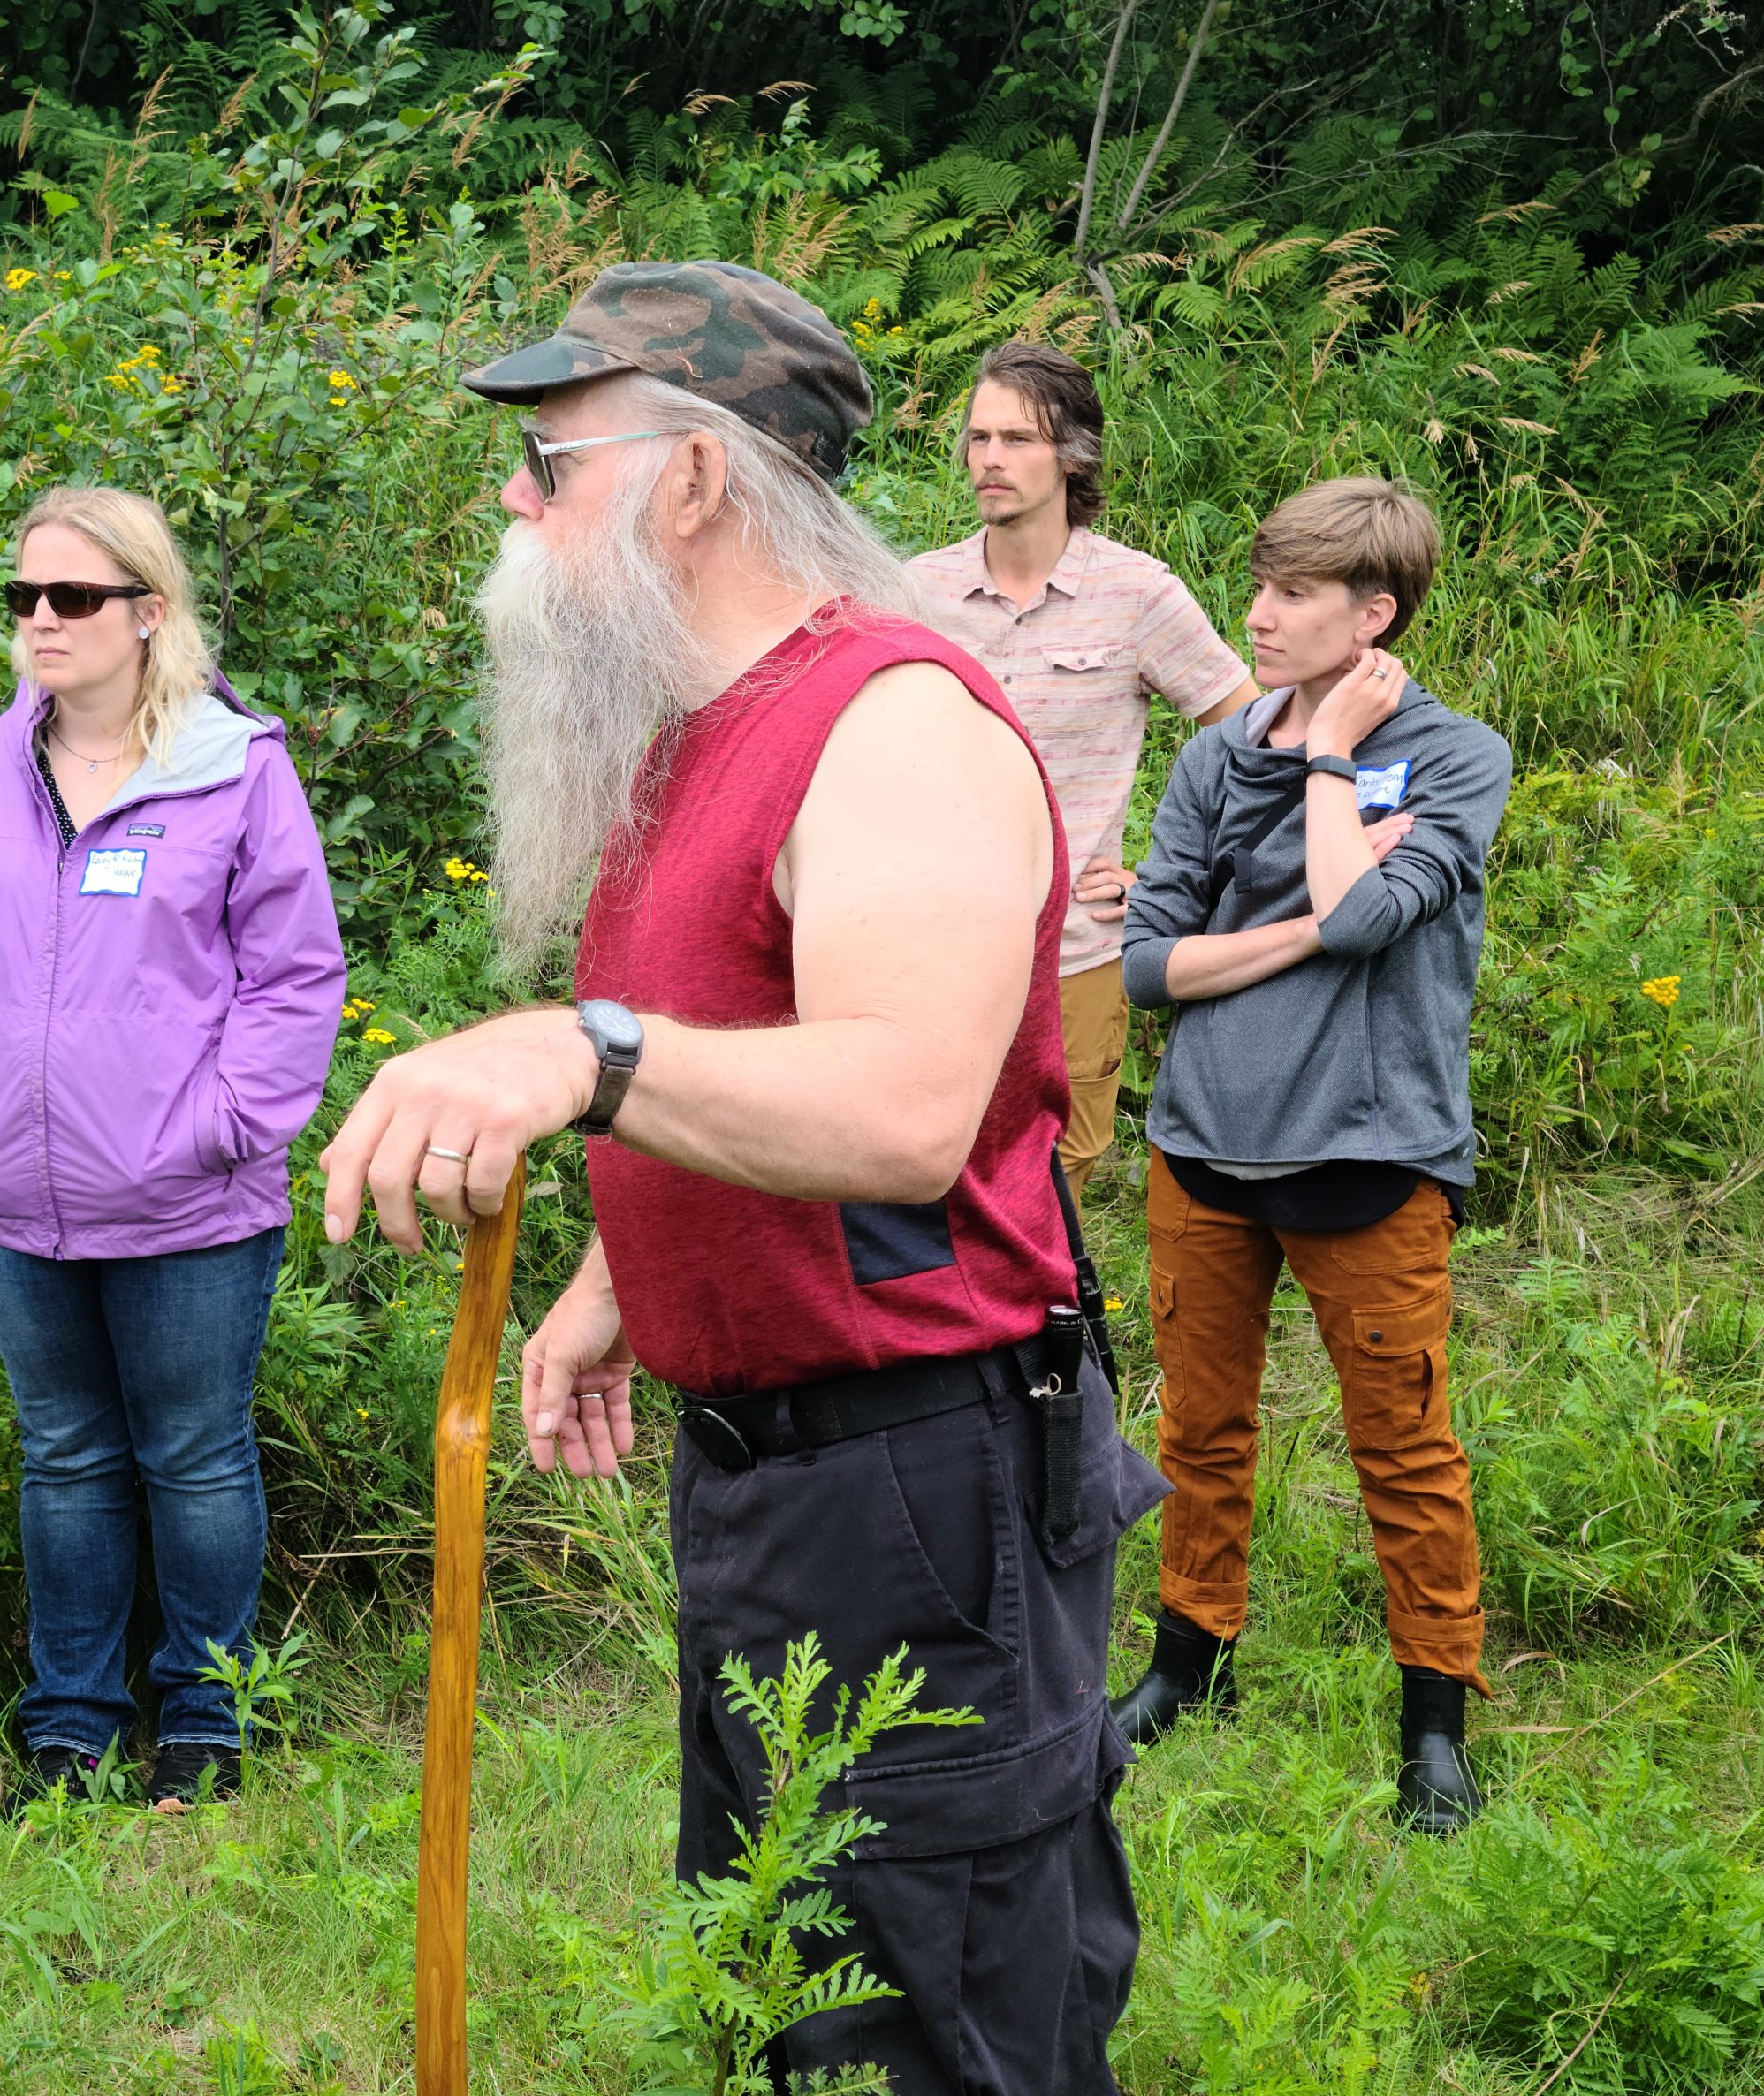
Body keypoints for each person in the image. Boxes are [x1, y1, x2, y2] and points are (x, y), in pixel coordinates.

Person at [317, 261, 1167, 2094]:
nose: (513, 501)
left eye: (552, 460)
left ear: (693, 480)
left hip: (922, 1486)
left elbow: (899, 1109)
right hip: (778, 1481)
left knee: (931, 2004)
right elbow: (747, 1036)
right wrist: (625, 1279)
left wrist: (581, 1055)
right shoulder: (698, 735)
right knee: (789, 1971)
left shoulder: (894, 723)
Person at [0, 485, 346, 1810]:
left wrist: (226, 1128)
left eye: (72, 597)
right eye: (23, 596)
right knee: (66, 1458)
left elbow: (296, 977)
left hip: (191, 1203)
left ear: (149, 613)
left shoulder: (233, 767)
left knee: (193, 1457)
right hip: (12, 1197)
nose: (40, 621)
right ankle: (72, 1725)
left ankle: (205, 1718)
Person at [1109, 477, 1511, 1834]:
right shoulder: (1218, 758)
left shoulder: (1459, 758)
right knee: (1201, 1432)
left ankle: (1436, 1724)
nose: (1258, 614)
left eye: (1292, 593)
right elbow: (1151, 964)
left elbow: (1358, 914)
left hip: (1371, 1158)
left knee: (1403, 1449)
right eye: (1261, 584)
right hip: (1204, 1151)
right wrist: (1279, 933)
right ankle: (1188, 1665)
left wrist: (1333, 756)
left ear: (1375, 614)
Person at [909, 342, 1257, 1190]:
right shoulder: (913, 596)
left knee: (1061, 1163)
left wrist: (1183, 885)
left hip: (1074, 947)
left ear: (1073, 455)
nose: (990, 458)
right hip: (929, 945)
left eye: (1018, 439)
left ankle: (1049, 1321)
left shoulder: (1137, 594)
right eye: (979, 437)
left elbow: (1256, 739)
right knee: (927, 1155)